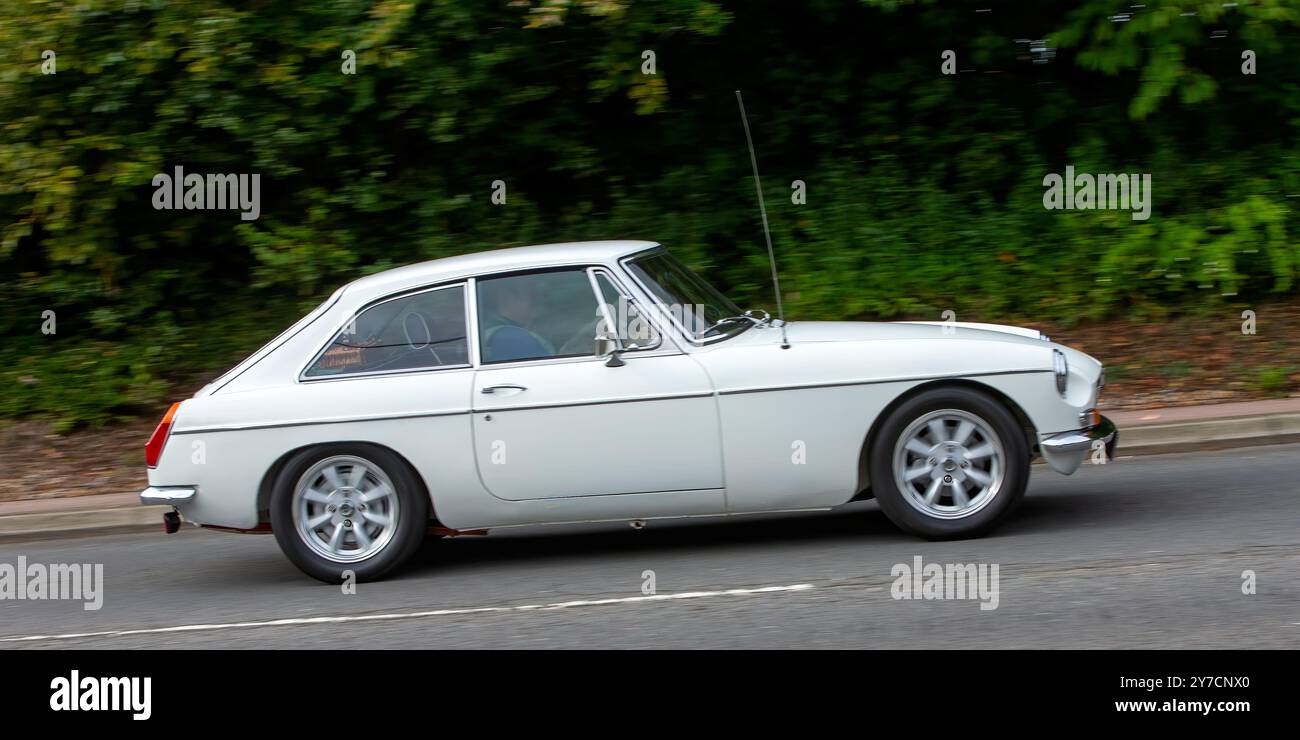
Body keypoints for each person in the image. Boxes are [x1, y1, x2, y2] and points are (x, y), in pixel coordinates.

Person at [479, 278, 556, 363]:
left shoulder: (487, 332)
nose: (536, 302)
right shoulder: (514, 339)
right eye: (531, 295)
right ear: (505, 298)